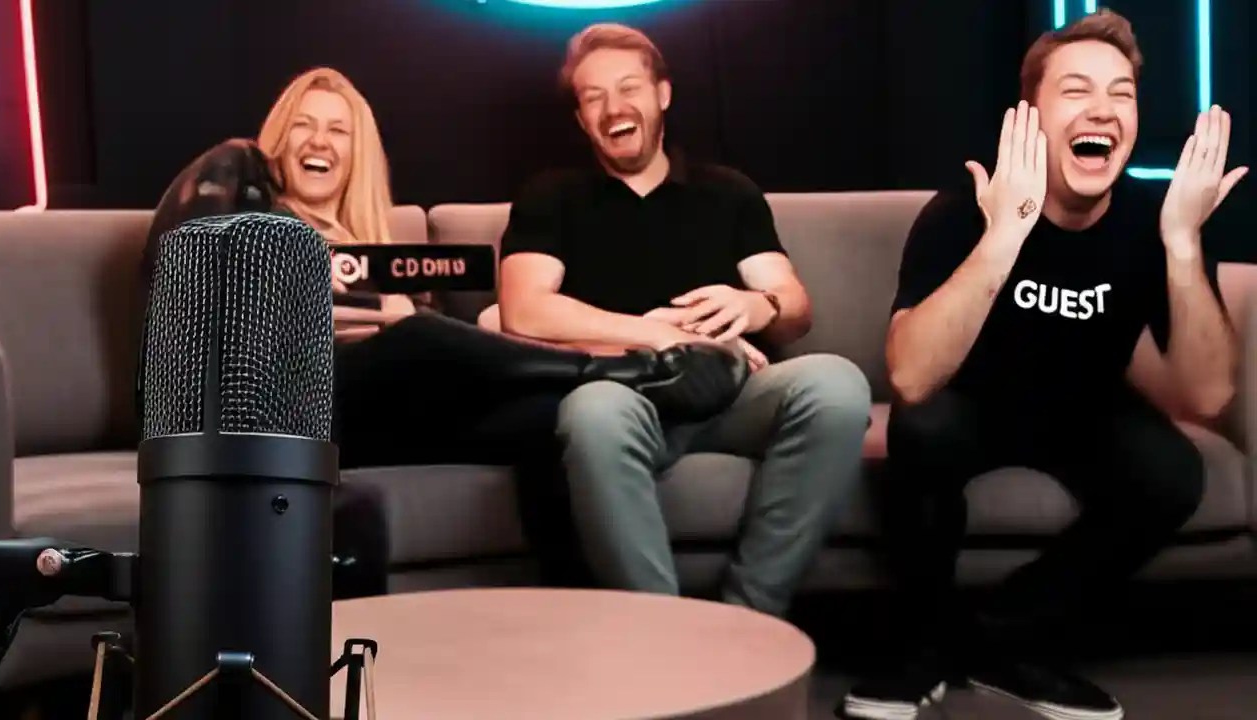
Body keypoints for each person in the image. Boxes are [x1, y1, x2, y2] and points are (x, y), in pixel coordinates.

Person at [143, 67, 751, 596]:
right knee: (418, 336)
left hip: (395, 420)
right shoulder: (254, 215)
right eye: (304, 125)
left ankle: (585, 614)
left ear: (357, 153)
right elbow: (210, 305)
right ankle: (635, 369)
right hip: (299, 406)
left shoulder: (384, 249)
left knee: (547, 421)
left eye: (338, 130)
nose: (319, 141)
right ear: (279, 141)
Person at [842, 10, 1246, 720]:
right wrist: (1005, 234)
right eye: (1078, 91)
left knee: (1177, 472)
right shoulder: (962, 211)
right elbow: (908, 377)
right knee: (921, 430)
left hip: (1086, 408)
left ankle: (1001, 640)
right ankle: (921, 648)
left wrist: (1184, 243)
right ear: (1029, 117)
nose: (1103, 109)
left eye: (1121, 93)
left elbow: (1208, 396)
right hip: (975, 404)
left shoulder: (1156, 221)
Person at [497, 23, 872, 618]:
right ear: (580, 119)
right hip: (623, 394)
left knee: (838, 384)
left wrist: (757, 306)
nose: (614, 107)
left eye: (628, 88)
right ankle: (663, 631)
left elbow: (794, 307)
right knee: (590, 413)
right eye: (594, 97)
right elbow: (524, 308)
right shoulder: (552, 196)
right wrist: (665, 335)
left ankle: (753, 615)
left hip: (732, 394)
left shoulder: (728, 192)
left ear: (662, 95)